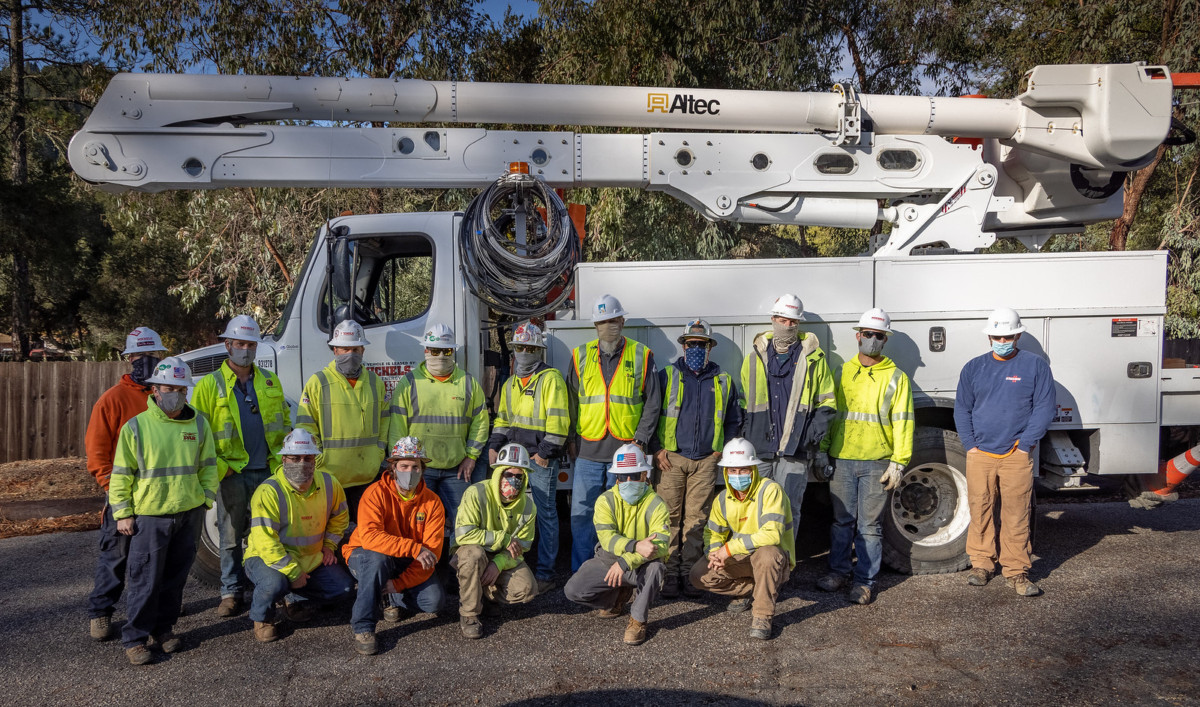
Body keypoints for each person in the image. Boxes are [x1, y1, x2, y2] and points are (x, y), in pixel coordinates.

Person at [108, 357, 219, 664]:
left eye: (181, 389)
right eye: (169, 388)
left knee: (174, 579)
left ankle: (164, 630)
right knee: (145, 580)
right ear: (155, 390)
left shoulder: (199, 424)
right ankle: (135, 639)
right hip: (150, 517)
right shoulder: (136, 427)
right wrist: (123, 513)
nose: (176, 394)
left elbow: (209, 465)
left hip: (189, 513)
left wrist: (206, 498)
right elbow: (121, 474)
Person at [191, 315, 291, 617]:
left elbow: (284, 421)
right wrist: (222, 467)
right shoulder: (209, 385)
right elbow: (200, 434)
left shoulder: (269, 380)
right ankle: (231, 591)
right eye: (240, 344)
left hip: (269, 470)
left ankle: (279, 589)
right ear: (228, 345)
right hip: (232, 472)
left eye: (251, 345)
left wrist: (282, 461)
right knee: (231, 536)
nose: (246, 350)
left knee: (275, 531)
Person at [954, 307, 1056, 597]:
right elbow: (962, 408)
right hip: (980, 455)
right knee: (980, 509)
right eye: (997, 336)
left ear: (1018, 336)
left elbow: (1044, 408)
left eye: (1007, 336)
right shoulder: (973, 368)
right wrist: (971, 446)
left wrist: (1025, 446)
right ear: (989, 337)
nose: (1002, 341)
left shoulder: (1035, 366)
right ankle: (981, 565)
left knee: (1017, 514)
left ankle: (1016, 572)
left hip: (1016, 455)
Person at [816, 308, 914, 605]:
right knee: (841, 522)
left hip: (877, 462)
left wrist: (899, 462)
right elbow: (831, 416)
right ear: (858, 336)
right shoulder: (842, 372)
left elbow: (904, 422)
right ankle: (838, 573)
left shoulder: (896, 378)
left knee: (869, 527)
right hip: (842, 459)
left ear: (885, 340)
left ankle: (864, 582)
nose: (872, 339)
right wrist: (822, 451)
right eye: (868, 334)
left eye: (878, 335)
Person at [567, 294, 662, 572]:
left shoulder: (642, 355)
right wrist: (570, 439)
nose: (608, 326)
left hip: (626, 453)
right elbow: (570, 401)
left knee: (620, 516)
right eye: (602, 322)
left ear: (622, 321)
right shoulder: (580, 355)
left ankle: (616, 570)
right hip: (587, 450)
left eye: (613, 320)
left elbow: (653, 402)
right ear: (595, 326)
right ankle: (583, 573)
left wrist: (641, 440)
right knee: (582, 515)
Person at [85, 326, 165, 641]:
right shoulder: (112, 400)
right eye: (139, 355)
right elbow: (97, 454)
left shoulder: (164, 397)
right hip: (124, 495)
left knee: (155, 559)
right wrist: (115, 494)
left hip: (157, 495)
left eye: (151, 354)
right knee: (115, 557)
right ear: (128, 359)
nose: (146, 360)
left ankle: (153, 608)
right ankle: (101, 612)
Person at [652, 319, 741, 599]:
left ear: (710, 348)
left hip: (705, 462)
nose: (696, 349)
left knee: (696, 520)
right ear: (683, 346)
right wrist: (657, 449)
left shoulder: (724, 380)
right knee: (667, 518)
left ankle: (689, 574)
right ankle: (668, 574)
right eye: (691, 344)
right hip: (672, 459)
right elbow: (651, 413)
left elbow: (734, 420)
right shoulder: (666, 376)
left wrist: (720, 451)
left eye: (701, 345)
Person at [243, 428, 354, 643]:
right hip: (267, 558)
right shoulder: (268, 492)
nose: (302, 463)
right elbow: (266, 542)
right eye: (295, 458)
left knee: (343, 589)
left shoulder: (330, 484)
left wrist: (329, 545)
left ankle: (293, 598)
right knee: (275, 583)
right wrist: (293, 572)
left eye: (307, 458)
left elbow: (340, 518)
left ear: (315, 460)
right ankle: (262, 617)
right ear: (284, 459)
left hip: (310, 557)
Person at [739, 294, 835, 534]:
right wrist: (746, 436)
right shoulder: (753, 358)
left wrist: (809, 437)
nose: (788, 326)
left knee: (789, 510)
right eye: (783, 320)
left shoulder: (814, 358)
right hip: (760, 448)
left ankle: (785, 557)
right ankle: (758, 557)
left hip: (795, 449)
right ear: (773, 320)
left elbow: (827, 403)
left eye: (793, 321)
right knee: (754, 509)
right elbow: (743, 403)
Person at [343, 436, 446, 656]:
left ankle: (389, 595)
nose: (410, 471)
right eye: (404, 466)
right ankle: (363, 627)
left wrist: (399, 584)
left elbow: (432, 553)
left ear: (423, 469)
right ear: (393, 467)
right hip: (365, 554)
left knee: (433, 602)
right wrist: (414, 548)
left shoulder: (433, 502)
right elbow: (370, 538)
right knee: (377, 560)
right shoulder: (374, 493)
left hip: (403, 559)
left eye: (415, 467)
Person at [487, 322, 569, 593]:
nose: (524, 353)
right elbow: (503, 419)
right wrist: (494, 445)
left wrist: (544, 454)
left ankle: (546, 573)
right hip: (514, 460)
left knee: (546, 514)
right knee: (512, 512)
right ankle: (513, 565)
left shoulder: (551, 379)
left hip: (539, 460)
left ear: (539, 351)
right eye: (520, 347)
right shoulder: (510, 383)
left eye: (530, 348)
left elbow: (559, 422)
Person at [564, 444, 669, 646]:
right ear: (616, 478)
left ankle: (638, 620)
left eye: (634, 475)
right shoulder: (605, 500)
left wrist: (626, 561)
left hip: (642, 562)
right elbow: (606, 538)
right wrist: (635, 546)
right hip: (610, 558)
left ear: (645, 475)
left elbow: (660, 544)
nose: (628, 481)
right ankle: (616, 598)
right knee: (573, 590)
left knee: (656, 568)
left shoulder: (656, 503)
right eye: (622, 476)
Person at [690, 438, 794, 641]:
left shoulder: (770, 490)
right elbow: (713, 533)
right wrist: (714, 553)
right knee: (698, 576)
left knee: (768, 554)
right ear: (726, 472)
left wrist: (728, 549)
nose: (738, 475)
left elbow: (773, 534)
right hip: (742, 556)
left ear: (753, 469)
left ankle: (762, 615)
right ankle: (755, 589)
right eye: (733, 470)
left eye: (743, 470)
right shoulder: (722, 498)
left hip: (773, 559)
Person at [390, 324, 489, 536]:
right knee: (416, 526)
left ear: (453, 352)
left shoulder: (468, 383)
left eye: (447, 351)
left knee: (465, 526)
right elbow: (397, 427)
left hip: (456, 469)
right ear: (426, 351)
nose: (441, 356)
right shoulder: (409, 383)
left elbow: (480, 422)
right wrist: (401, 464)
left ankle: (461, 559)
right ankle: (422, 559)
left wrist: (471, 456)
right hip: (420, 470)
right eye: (435, 351)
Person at [296, 319, 390, 521]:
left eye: (355, 349)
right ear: (335, 350)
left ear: (363, 350)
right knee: (332, 531)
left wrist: (379, 451)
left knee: (365, 531)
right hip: (330, 477)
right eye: (345, 349)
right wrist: (319, 459)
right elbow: (305, 426)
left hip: (366, 476)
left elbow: (384, 421)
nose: (350, 354)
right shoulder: (318, 382)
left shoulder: (375, 382)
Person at [451, 443, 538, 639]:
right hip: (472, 552)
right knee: (473, 555)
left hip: (500, 556)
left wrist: (498, 564)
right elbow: (464, 535)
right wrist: (504, 538)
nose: (513, 480)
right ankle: (469, 613)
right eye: (508, 474)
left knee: (527, 589)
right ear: (498, 473)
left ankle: (486, 593)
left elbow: (523, 546)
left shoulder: (528, 507)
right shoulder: (476, 493)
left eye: (519, 476)